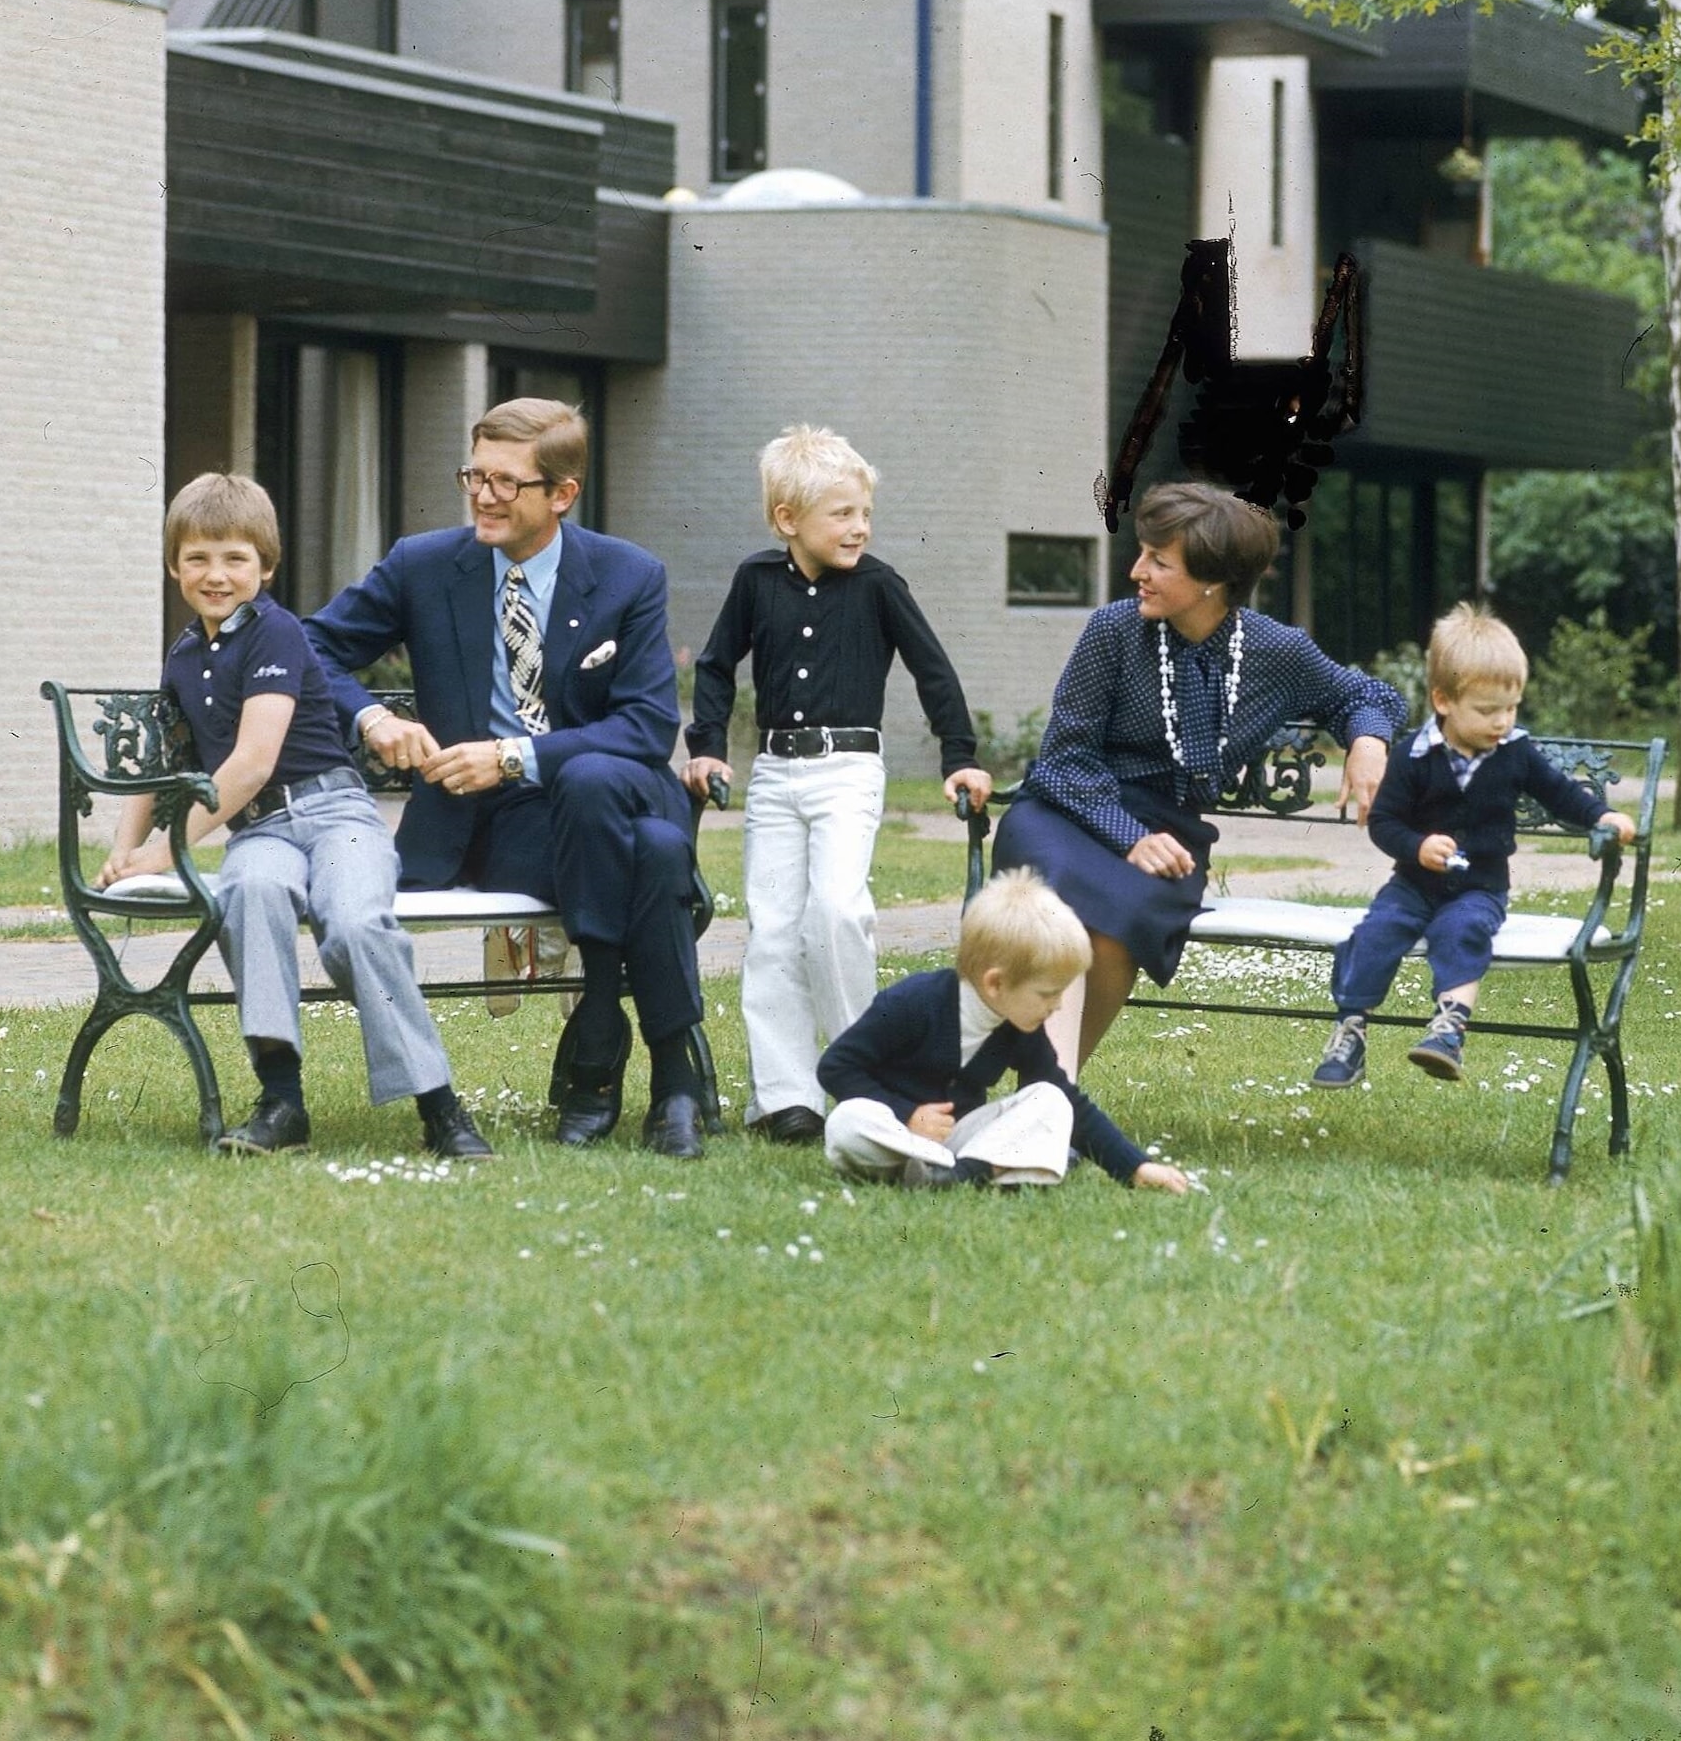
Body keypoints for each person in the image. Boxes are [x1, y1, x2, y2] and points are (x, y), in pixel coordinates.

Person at [304, 398, 710, 1159]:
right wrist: (371, 719)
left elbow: (649, 727)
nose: (483, 496)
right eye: (474, 475)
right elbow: (309, 644)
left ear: (561, 493)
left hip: (607, 787)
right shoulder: (423, 564)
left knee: (591, 779)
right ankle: (674, 1081)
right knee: (654, 850)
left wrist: (516, 753)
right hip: (504, 826)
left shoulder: (628, 575)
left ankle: (599, 1036)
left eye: (505, 482)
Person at [100, 473, 492, 1161]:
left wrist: (166, 853)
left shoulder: (277, 634)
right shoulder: (185, 654)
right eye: (197, 558)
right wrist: (124, 851)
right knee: (248, 893)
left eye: (234, 558)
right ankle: (282, 1101)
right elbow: (166, 756)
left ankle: (439, 1104)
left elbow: (251, 760)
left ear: (266, 567)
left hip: (334, 811)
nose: (215, 574)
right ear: (173, 566)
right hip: (260, 830)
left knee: (356, 923)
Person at [991, 482, 1405, 1071]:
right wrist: (1128, 837)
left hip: (1169, 831)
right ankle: (1047, 1106)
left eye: (1159, 561)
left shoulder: (1274, 650)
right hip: (1067, 813)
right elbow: (1063, 759)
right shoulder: (1112, 631)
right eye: (1142, 553)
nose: (1138, 571)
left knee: (1118, 929)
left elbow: (1367, 694)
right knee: (1060, 915)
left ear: (1213, 580)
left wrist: (1367, 738)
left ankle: (1049, 1094)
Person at [684, 426, 993, 1143]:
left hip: (848, 772)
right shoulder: (755, 581)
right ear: (788, 519)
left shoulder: (881, 585)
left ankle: (863, 1077)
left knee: (837, 913)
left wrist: (961, 755)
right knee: (771, 934)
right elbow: (714, 663)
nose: (859, 527)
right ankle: (786, 1098)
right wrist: (706, 747)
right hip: (774, 776)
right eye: (842, 513)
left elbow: (934, 671)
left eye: (864, 512)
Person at [1311, 601, 1637, 1090]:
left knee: (1462, 930)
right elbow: (1384, 822)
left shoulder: (1516, 753)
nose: (1502, 721)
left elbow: (1561, 792)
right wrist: (1416, 846)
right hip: (1413, 885)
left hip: (1478, 888)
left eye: (1511, 708)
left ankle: (1448, 1029)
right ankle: (1350, 1030)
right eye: (1487, 710)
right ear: (1443, 701)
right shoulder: (1411, 758)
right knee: (1377, 932)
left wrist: (1602, 814)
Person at [816, 870, 1190, 1191]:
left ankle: (963, 1174)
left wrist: (1136, 1167)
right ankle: (977, 1169)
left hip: (959, 1141)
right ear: (995, 983)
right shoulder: (913, 1001)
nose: (1057, 1005)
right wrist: (907, 1115)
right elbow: (835, 1066)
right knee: (847, 1122)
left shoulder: (1020, 1024)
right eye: (1048, 993)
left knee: (1050, 1100)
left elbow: (1065, 1097)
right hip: (893, 1134)